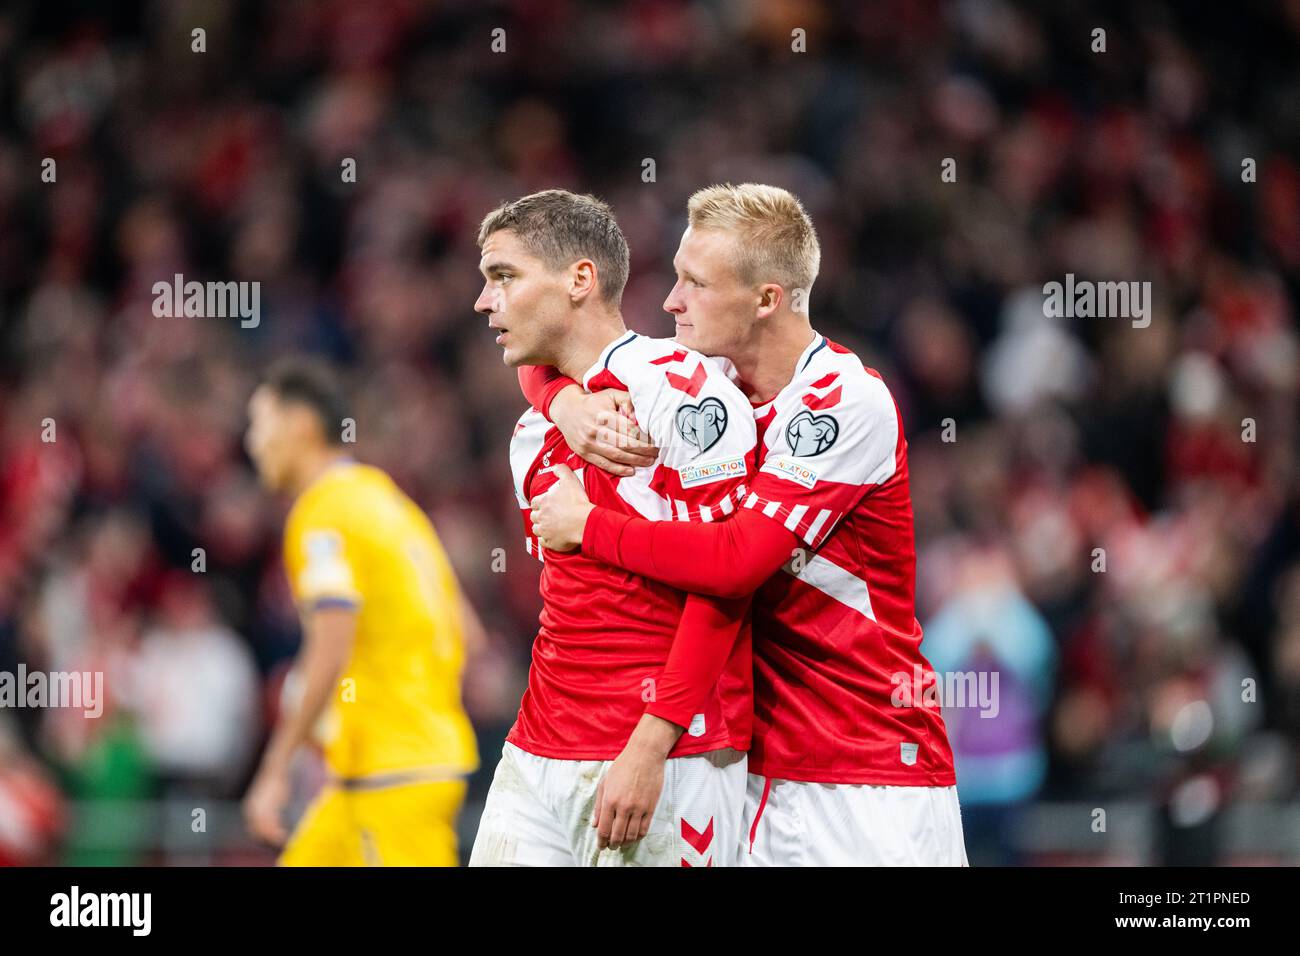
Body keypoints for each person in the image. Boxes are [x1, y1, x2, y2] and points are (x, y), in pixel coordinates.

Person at [528, 183, 967, 865]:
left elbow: (737, 562)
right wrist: (564, 404)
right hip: (749, 769)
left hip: (865, 767)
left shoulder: (845, 403)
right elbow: (542, 346)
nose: (671, 301)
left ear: (766, 299)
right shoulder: (710, 390)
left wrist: (588, 528)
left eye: (695, 284)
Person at [469, 189, 755, 866]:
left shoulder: (683, 391)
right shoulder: (534, 427)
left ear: (579, 280)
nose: (484, 302)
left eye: (503, 276)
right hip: (538, 750)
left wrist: (650, 747)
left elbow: (727, 582)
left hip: (661, 756)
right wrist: (560, 397)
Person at [243, 357, 478, 865]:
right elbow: (470, 634)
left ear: (301, 425)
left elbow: (331, 646)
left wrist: (275, 767)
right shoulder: (391, 503)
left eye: (259, 424)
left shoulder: (322, 513)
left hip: (393, 777)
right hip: (377, 772)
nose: (251, 442)